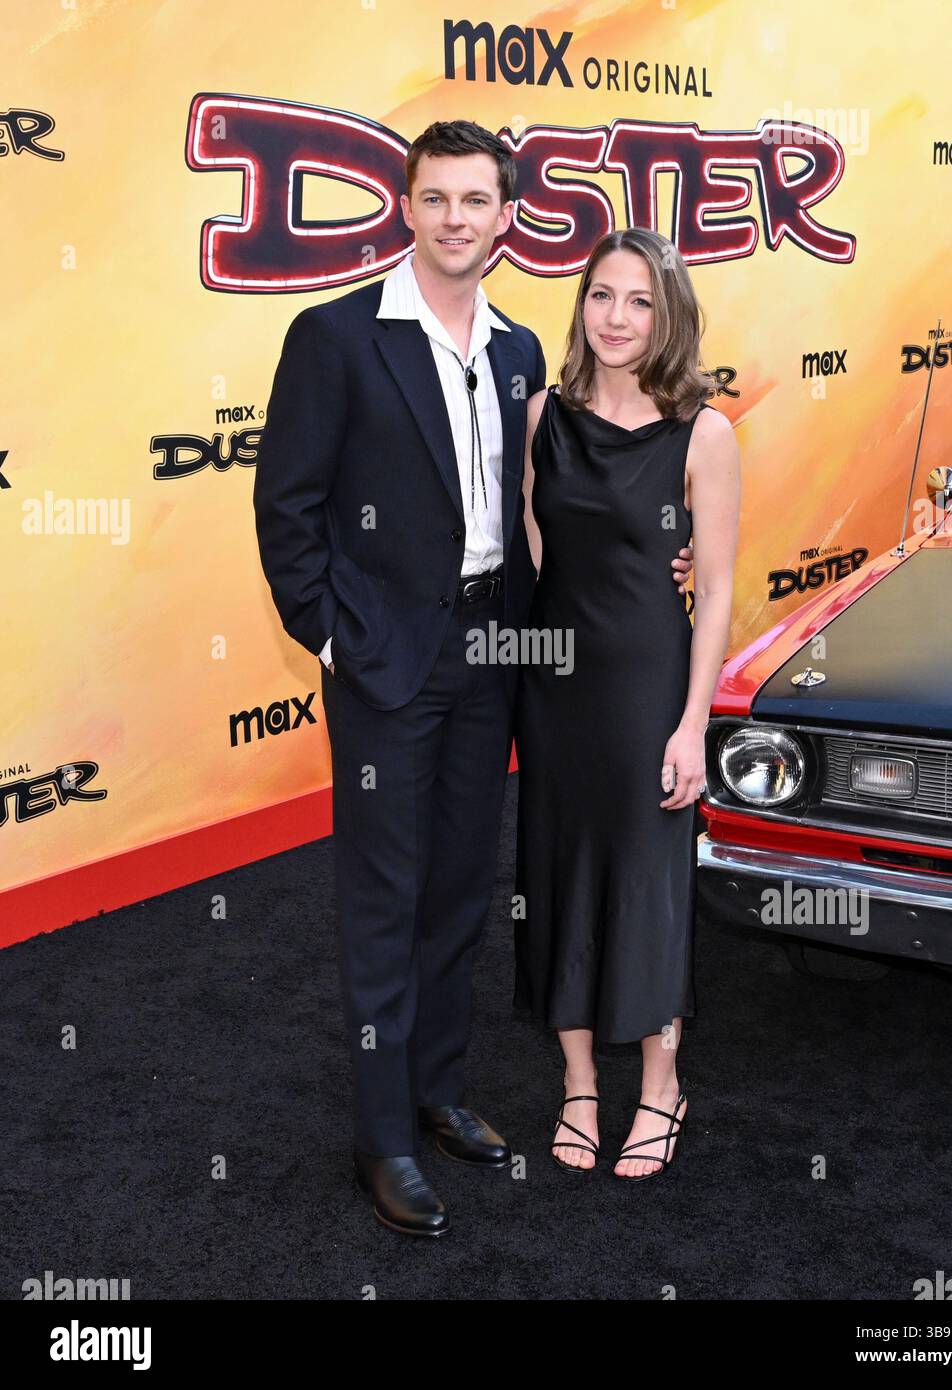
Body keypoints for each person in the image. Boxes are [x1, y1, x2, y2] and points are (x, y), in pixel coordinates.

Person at [253, 123, 699, 1235]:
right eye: (435, 197)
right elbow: (286, 510)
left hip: (496, 655)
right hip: (386, 662)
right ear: (407, 206)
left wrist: (664, 553)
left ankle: (437, 1090)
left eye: (476, 200)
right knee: (382, 900)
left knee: (459, 890)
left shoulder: (514, 358)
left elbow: (560, 511)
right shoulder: (336, 337)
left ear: (507, 219)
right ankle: (383, 1135)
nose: (456, 217)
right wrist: (335, 639)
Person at [513, 227, 740, 1181]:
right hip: (557, 691)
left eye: (640, 301)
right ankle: (577, 1084)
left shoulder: (706, 433)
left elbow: (719, 588)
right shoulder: (541, 417)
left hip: (651, 688)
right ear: (582, 306)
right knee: (559, 875)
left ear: (670, 315)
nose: (617, 318)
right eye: (602, 296)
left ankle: (659, 1087)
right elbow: (535, 549)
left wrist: (692, 725)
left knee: (649, 886)